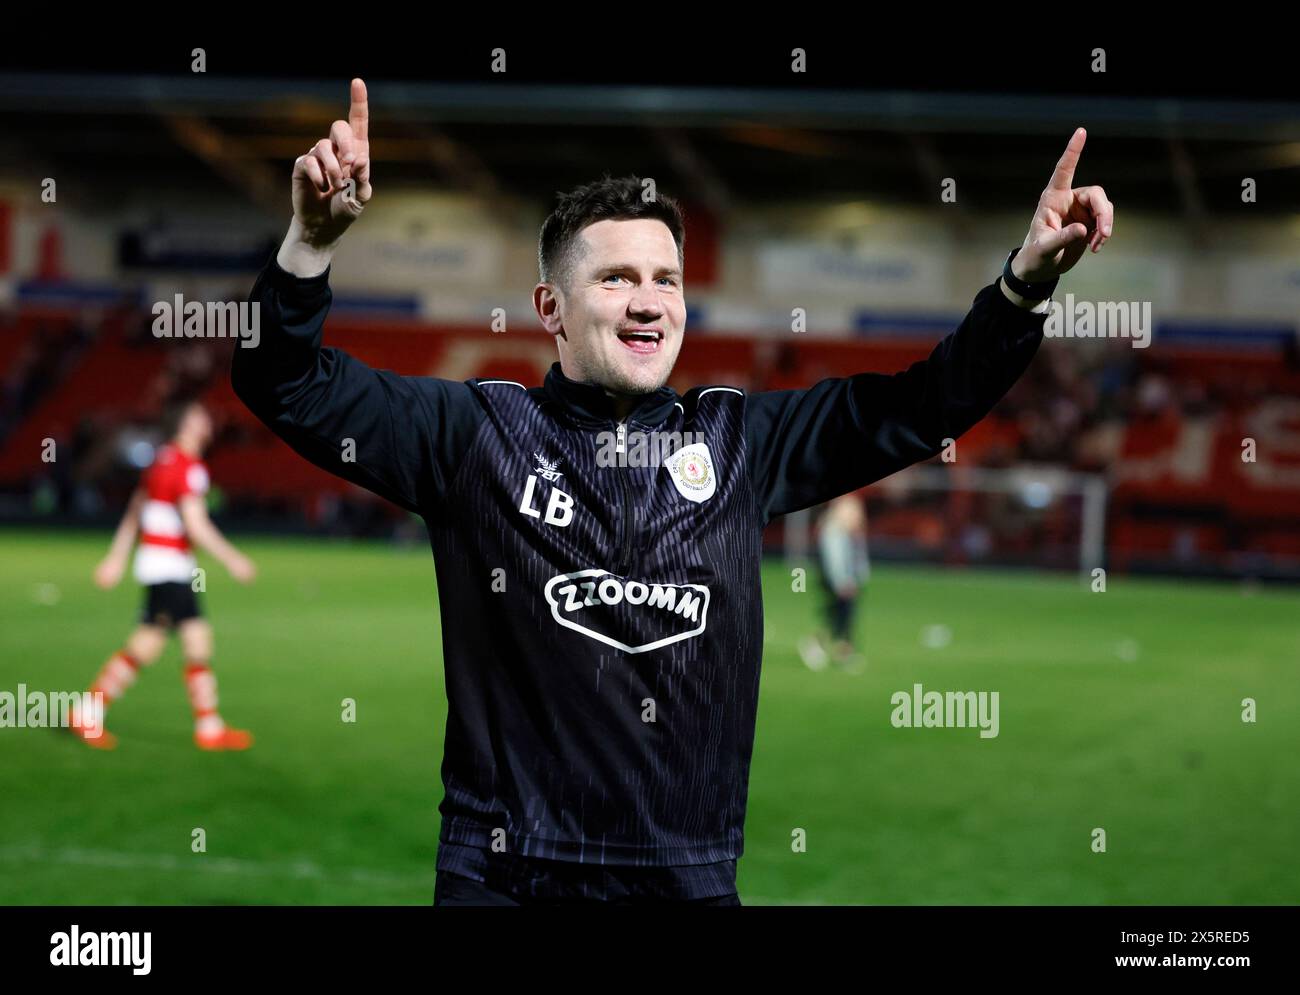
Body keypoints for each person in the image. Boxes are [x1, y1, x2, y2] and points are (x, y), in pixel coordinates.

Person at [232, 79, 1113, 904]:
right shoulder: (472, 435)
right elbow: (284, 383)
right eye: (616, 278)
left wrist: (1026, 283)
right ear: (551, 308)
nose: (648, 301)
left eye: (666, 279)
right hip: (504, 874)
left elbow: (929, 406)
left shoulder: (740, 444)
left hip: (685, 879)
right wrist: (309, 243)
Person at [71, 401, 257, 751]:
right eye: (200, 417)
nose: (207, 423)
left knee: (165, 641)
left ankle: (207, 726)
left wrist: (116, 557)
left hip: (157, 564)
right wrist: (233, 559)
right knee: (177, 641)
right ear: (185, 424)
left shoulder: (161, 460)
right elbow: (196, 525)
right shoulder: (189, 467)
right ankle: (205, 727)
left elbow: (136, 509)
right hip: (170, 565)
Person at [800, 493, 870, 673]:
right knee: (839, 615)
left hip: (845, 580)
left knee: (840, 615)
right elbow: (834, 560)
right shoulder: (833, 530)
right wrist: (842, 582)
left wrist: (858, 577)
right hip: (838, 581)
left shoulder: (849, 532)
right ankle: (830, 648)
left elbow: (858, 558)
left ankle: (841, 650)